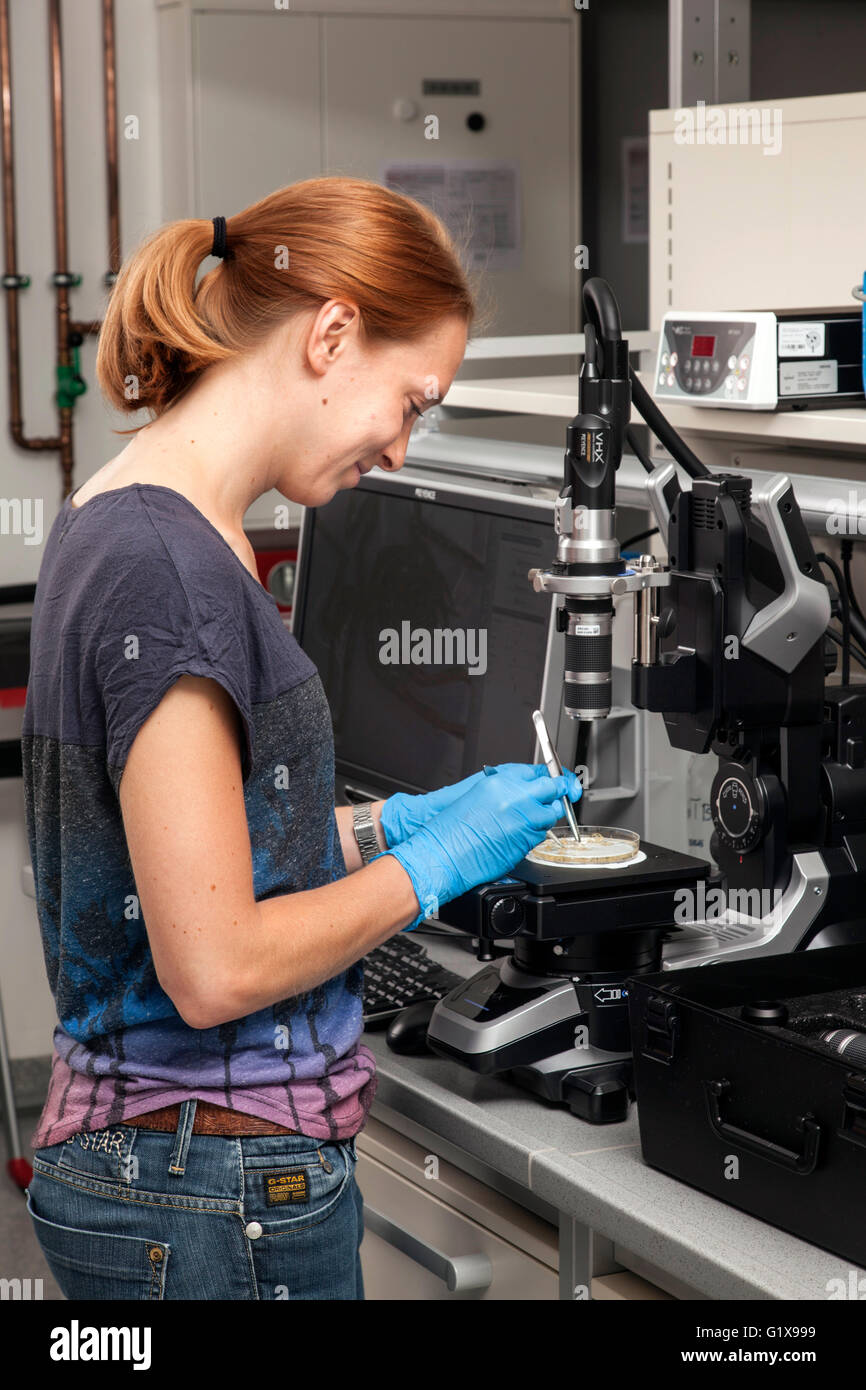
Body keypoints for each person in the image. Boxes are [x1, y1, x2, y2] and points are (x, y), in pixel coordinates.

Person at [21, 175, 582, 1301]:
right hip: (209, 1186)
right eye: (414, 402)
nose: (402, 449)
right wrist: (429, 870)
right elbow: (215, 963)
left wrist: (377, 827)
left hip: (168, 1170)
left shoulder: (135, 513)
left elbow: (189, 846)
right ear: (331, 333)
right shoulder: (171, 573)